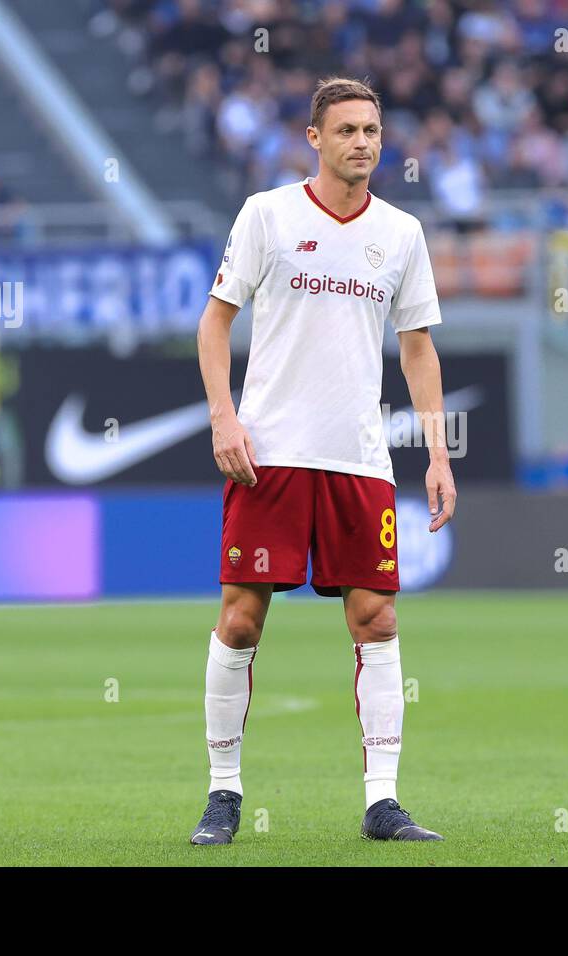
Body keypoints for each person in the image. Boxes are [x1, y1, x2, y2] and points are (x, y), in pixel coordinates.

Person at [191, 77, 453, 845]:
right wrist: (224, 418)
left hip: (360, 460)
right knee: (240, 622)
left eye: (372, 130)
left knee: (377, 619)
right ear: (315, 138)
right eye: (346, 131)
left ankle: (383, 800)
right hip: (269, 454)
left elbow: (418, 349)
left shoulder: (401, 233)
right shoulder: (267, 215)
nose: (362, 143)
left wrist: (437, 454)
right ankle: (224, 792)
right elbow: (214, 325)